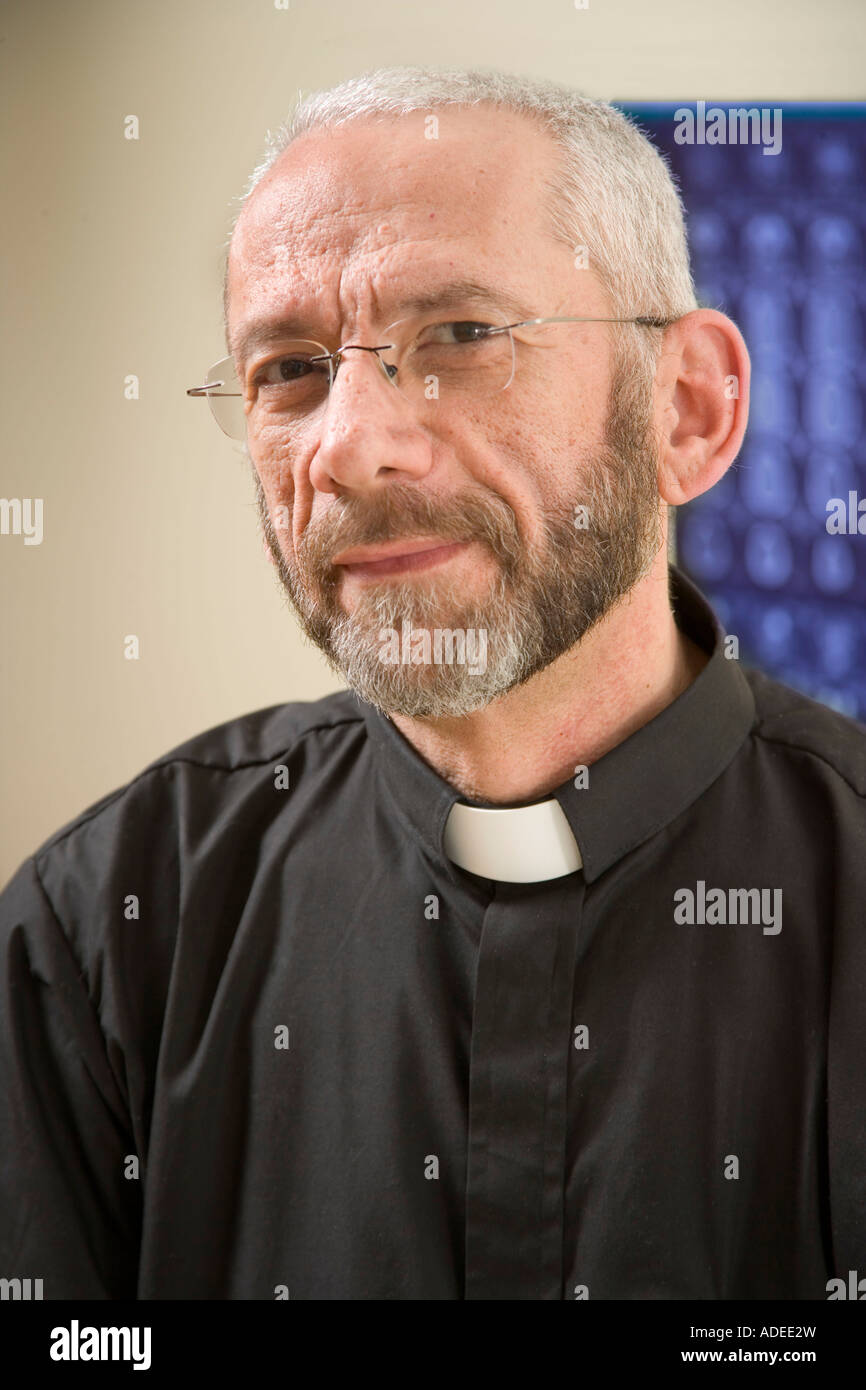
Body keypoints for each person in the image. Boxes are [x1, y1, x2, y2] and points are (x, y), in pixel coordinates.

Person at [1, 66, 864, 1302]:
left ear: (684, 412)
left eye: (460, 336)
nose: (349, 446)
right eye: (289, 369)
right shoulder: (102, 932)